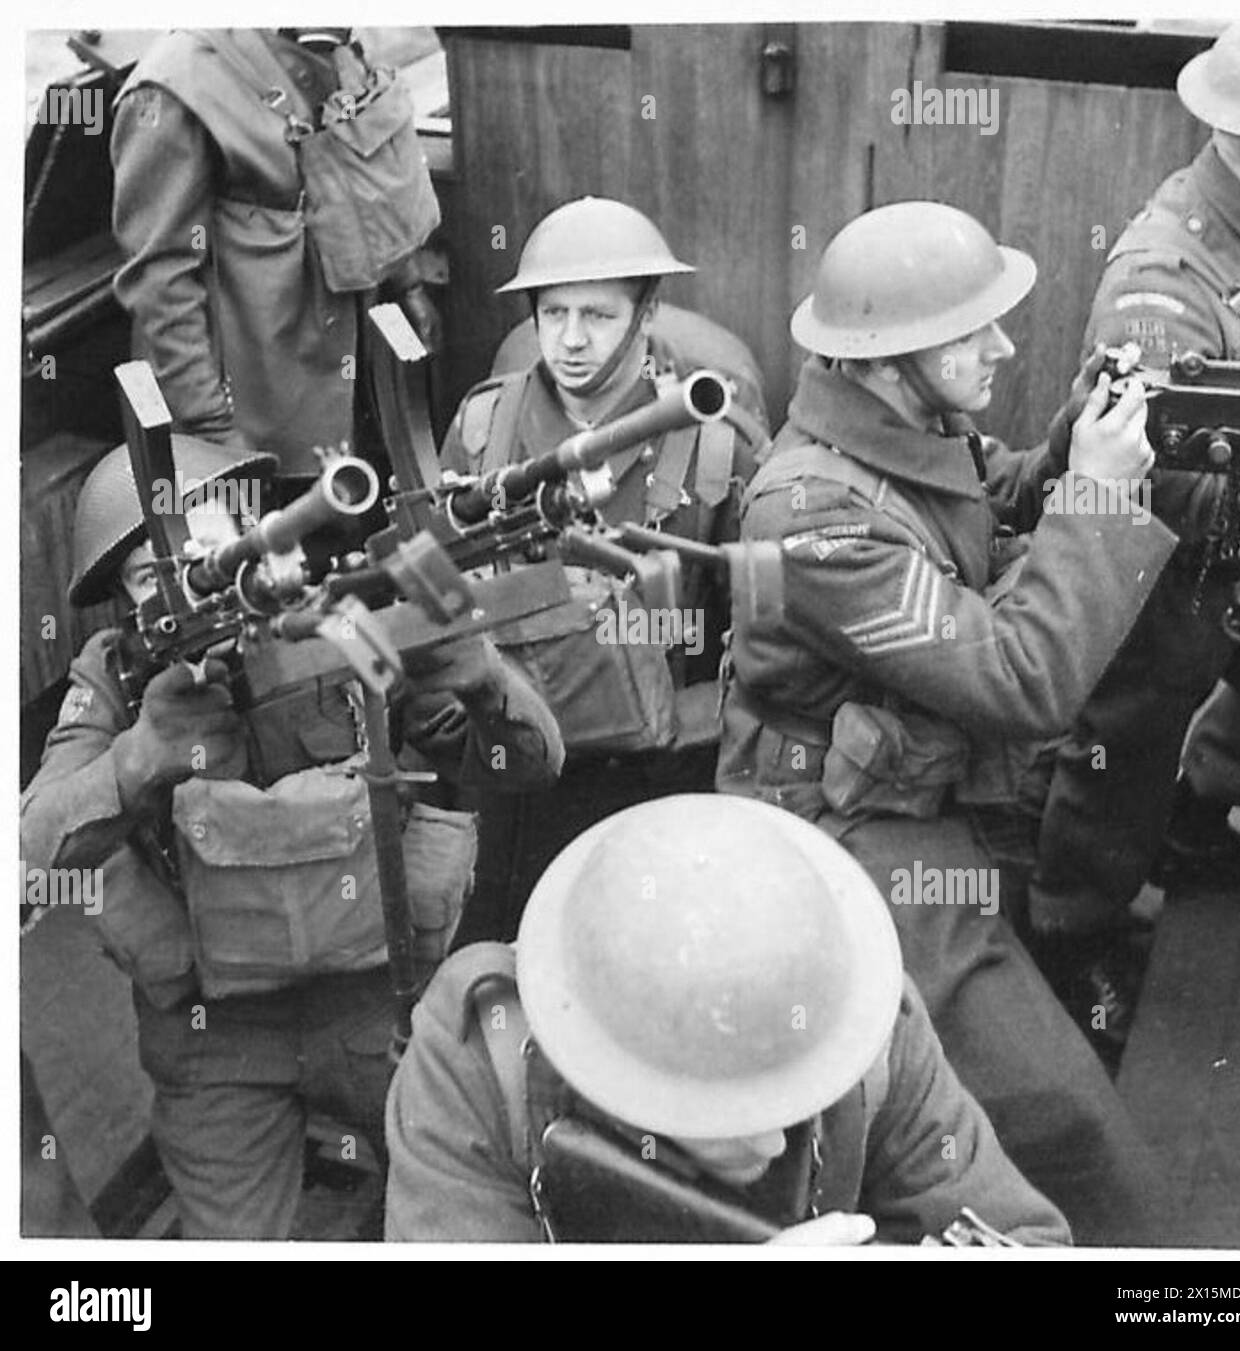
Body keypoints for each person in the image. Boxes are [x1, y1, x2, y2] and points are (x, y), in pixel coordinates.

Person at [713, 200, 1177, 1244]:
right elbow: (1020, 681)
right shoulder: (813, 516)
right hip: (850, 853)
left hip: (928, 816)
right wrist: (1096, 501)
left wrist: (1065, 448)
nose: (1003, 345)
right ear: (889, 360)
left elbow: (978, 494)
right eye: (972, 332)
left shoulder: (898, 429)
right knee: (1074, 1140)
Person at [20, 437, 563, 1239]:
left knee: (464, 1210)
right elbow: (28, 868)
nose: (191, 577)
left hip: (373, 1000)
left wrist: (482, 679)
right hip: (215, 1040)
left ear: (253, 533)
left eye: (211, 547)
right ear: (125, 605)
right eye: (148, 576)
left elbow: (528, 763)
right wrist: (135, 762)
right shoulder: (113, 676)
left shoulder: (339, 621)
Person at [384, 794, 1071, 1245]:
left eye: (791, 1090)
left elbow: (1026, 1237)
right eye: (722, 1111)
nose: (773, 1141)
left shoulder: (862, 1027)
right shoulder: (482, 1053)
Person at [438, 197, 769, 941]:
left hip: (658, 779)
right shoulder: (484, 427)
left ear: (647, 314)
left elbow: (756, 645)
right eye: (552, 315)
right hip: (516, 772)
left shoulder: (718, 451)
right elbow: (437, 585)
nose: (572, 340)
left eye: (598, 315)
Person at [1029, 19, 1240, 1022]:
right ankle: (1071, 927)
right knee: (1124, 733)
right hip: (1174, 553)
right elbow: (1143, 468)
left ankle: (1204, 810)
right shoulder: (1162, 280)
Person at [110, 27, 443, 484]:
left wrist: (409, 283)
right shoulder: (174, 89)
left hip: (353, 385)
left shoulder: (331, 46)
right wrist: (216, 432)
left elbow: (362, 178)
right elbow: (160, 280)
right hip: (255, 418)